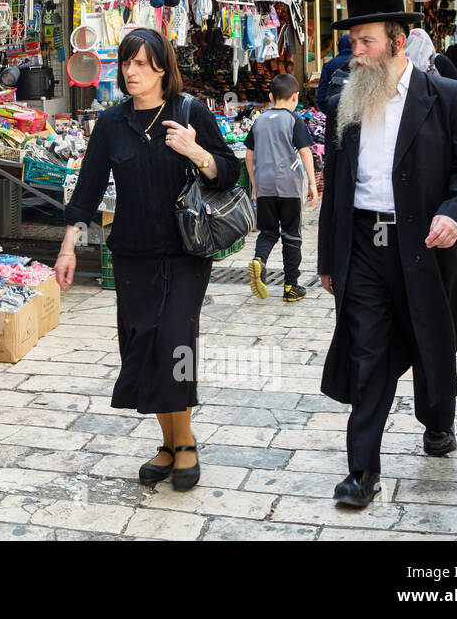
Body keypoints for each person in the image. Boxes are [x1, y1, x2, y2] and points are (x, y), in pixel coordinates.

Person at [318, 0, 457, 508]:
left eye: (365, 42)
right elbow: (336, 185)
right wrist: (329, 258)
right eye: (352, 42)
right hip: (366, 246)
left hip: (428, 246)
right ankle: (361, 471)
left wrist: (453, 215)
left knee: (433, 339)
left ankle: (437, 420)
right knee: (368, 352)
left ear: (399, 42)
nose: (356, 52)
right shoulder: (346, 99)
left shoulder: (445, 96)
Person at [57, 28, 239, 493]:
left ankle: (186, 444)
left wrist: (195, 151)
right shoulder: (113, 123)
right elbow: (89, 187)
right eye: (126, 63)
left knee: (175, 341)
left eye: (142, 63)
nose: (131, 72)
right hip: (132, 255)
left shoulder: (188, 111)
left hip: (184, 253)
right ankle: (171, 442)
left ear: (163, 67)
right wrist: (67, 246)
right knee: (145, 345)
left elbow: (229, 171)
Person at [244, 73, 318, 303]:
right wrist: (313, 185)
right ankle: (291, 287)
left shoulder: (259, 120)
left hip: (265, 187)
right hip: (288, 188)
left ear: (270, 97)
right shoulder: (294, 121)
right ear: (295, 97)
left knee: (267, 232)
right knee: (291, 236)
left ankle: (259, 260)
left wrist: (255, 184)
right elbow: (305, 152)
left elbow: (249, 154)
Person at [317, 33, 353, 110]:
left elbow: (322, 90)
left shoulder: (329, 64)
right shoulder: (361, 62)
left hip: (333, 107)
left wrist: (325, 110)